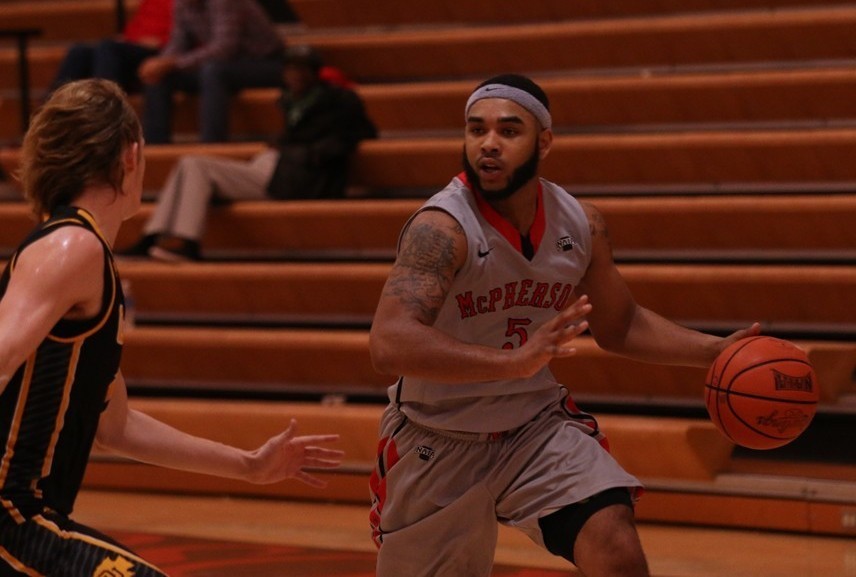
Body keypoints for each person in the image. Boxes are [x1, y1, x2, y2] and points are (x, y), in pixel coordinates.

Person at [367, 74, 762, 577]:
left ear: (543, 142)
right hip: (436, 436)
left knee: (613, 542)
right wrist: (511, 362)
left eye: (509, 131)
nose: (488, 144)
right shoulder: (441, 230)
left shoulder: (581, 223)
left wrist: (714, 352)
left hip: (534, 427)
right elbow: (389, 341)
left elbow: (621, 324)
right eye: (476, 130)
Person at [0, 79, 344, 576]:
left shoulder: (83, 256)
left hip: (31, 522)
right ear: (131, 156)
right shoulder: (73, 247)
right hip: (13, 520)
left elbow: (117, 427)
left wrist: (249, 465)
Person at [123, 44, 378, 261]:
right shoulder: (292, 100)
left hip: (294, 176)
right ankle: (153, 236)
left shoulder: (338, 99)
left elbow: (358, 133)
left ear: (314, 72)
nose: (295, 75)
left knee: (196, 165)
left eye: (301, 69)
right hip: (276, 167)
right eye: (290, 69)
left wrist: (305, 153)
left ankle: (187, 241)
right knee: (188, 163)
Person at [139, 0, 287, 144]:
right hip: (226, 64)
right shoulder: (182, 4)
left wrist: (172, 63)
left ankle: (212, 145)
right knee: (158, 75)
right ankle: (155, 145)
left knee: (213, 72)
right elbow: (178, 42)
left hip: (266, 62)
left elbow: (224, 48)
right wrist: (160, 64)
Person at [49, 0, 173, 94]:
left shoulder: (184, 4)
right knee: (79, 52)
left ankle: (104, 107)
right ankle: (49, 114)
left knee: (108, 48)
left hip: (160, 52)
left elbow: (184, 37)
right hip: (133, 45)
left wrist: (162, 41)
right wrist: (127, 38)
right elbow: (138, 27)